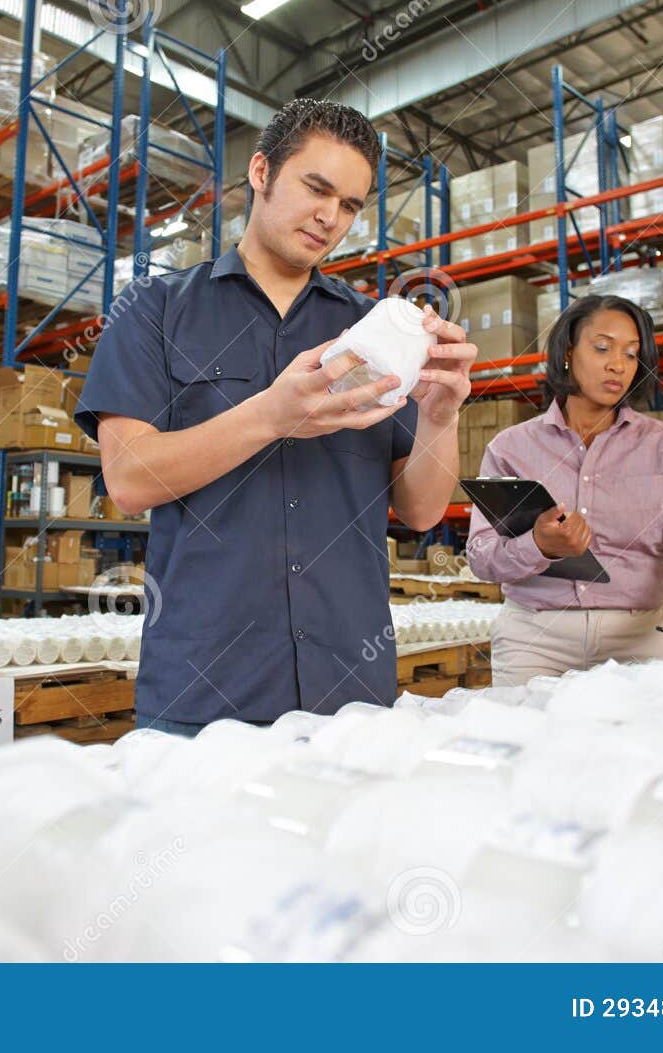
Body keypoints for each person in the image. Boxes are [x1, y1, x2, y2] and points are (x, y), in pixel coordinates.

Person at [74, 99, 476, 736]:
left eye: (349, 205)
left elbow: (422, 511)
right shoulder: (155, 309)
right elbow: (128, 481)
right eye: (315, 188)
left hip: (351, 692)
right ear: (261, 171)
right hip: (205, 692)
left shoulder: (374, 332)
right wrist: (270, 415)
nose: (329, 218)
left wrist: (442, 418)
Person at [464, 293, 663, 685]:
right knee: (530, 744)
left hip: (640, 638)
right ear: (568, 352)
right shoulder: (510, 449)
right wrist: (538, 545)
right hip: (536, 640)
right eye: (603, 347)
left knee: (640, 746)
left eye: (631, 353)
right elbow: (482, 558)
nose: (617, 365)